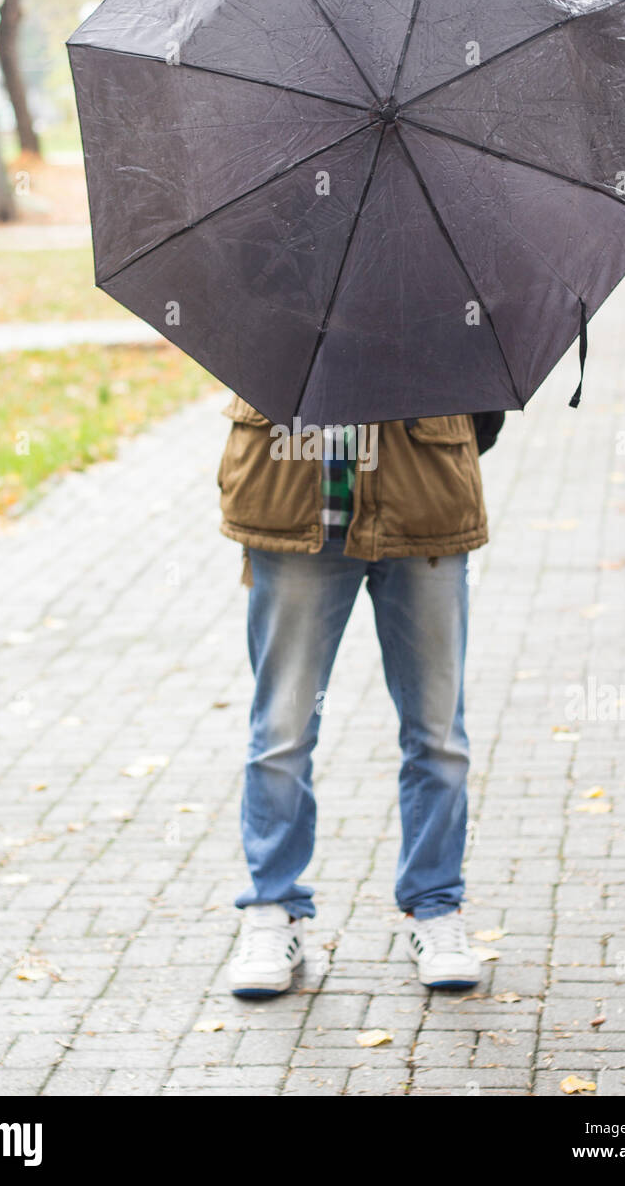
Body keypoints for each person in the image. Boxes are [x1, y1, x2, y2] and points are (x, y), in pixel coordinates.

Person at [217, 395, 503, 997]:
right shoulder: (270, 292)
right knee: (283, 731)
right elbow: (230, 344)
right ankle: (273, 909)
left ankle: (435, 910)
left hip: (423, 504)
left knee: (437, 732)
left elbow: (484, 397)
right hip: (293, 500)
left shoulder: (443, 297)